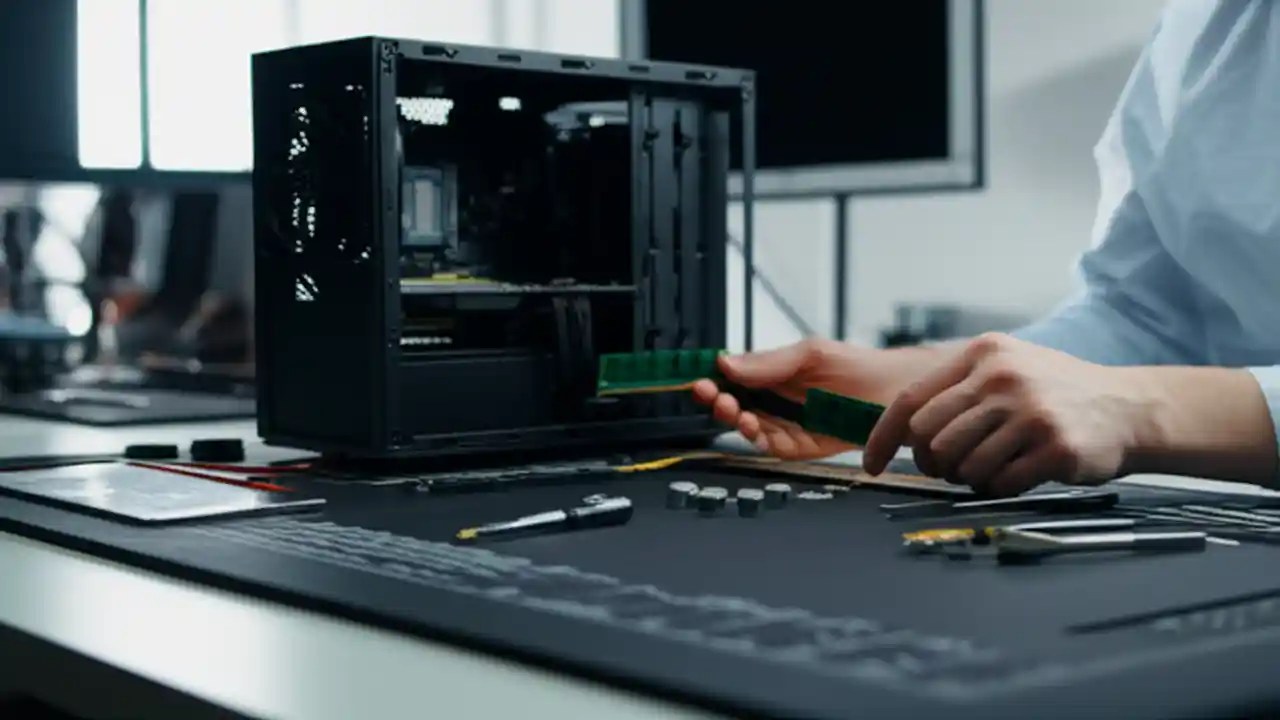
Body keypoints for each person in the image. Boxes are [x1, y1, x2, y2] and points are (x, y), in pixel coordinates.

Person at [694, 0, 1280, 496]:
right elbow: (1144, 316)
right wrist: (921, 383)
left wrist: (1138, 410)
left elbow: (1128, 384)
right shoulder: (1208, 26)